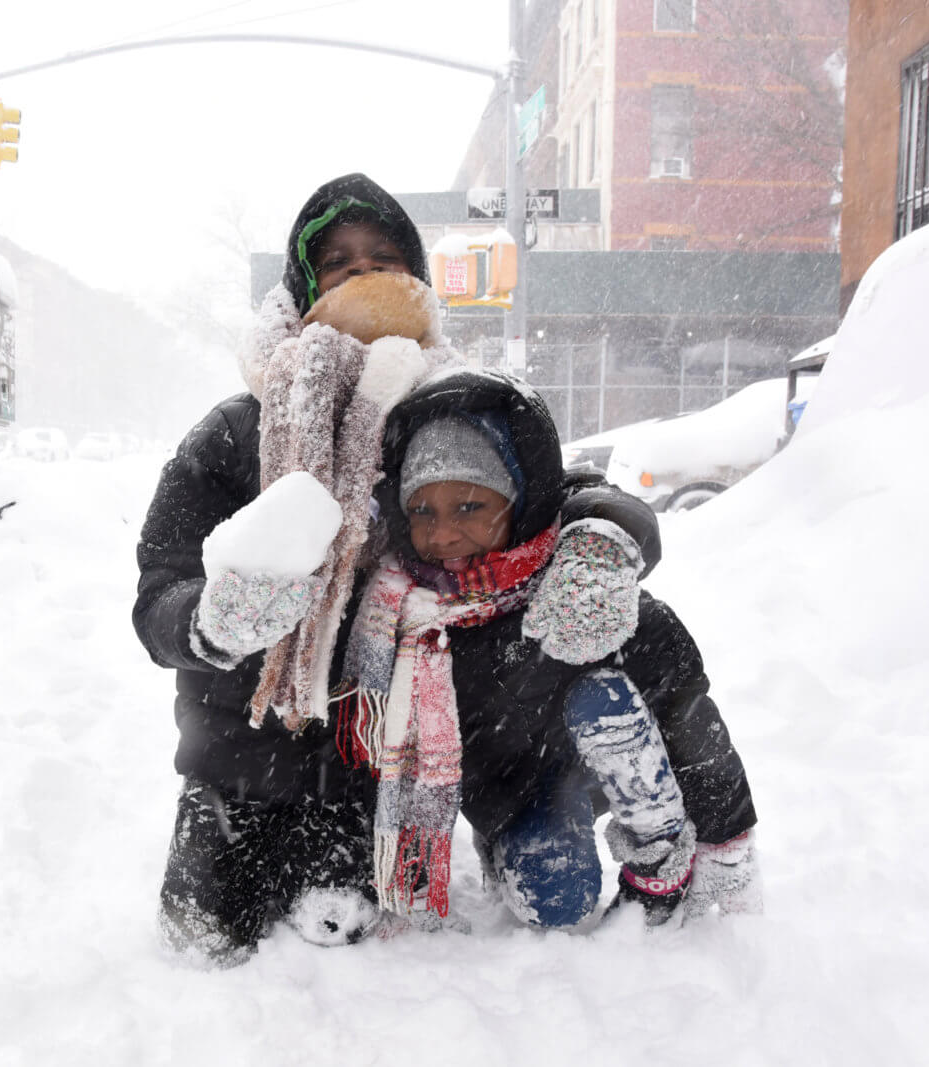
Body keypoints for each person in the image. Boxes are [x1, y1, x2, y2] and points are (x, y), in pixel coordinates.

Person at [132, 173, 665, 966]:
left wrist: (605, 536)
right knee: (205, 933)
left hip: (371, 765)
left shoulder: (452, 410)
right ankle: (223, 824)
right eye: (338, 260)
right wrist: (208, 622)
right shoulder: (234, 431)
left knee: (344, 922)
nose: (362, 272)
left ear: (414, 281)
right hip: (239, 754)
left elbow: (563, 486)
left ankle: (518, 815)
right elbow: (158, 590)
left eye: (384, 257)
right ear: (303, 287)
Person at [337, 368, 760, 929]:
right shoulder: (395, 611)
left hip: (593, 762)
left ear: (518, 501)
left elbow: (687, 713)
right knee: (557, 902)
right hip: (508, 791)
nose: (442, 536)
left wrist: (725, 837)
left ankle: (659, 864)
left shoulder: (580, 590)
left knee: (602, 696)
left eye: (470, 507)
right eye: (423, 511)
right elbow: (351, 739)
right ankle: (508, 847)